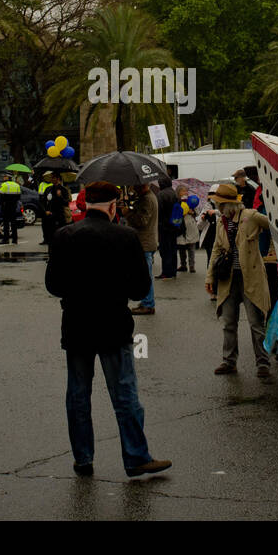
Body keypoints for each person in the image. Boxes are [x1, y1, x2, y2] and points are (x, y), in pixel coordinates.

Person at [45, 181, 172, 479]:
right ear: (113, 206)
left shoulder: (64, 235)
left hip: (76, 325)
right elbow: (140, 287)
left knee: (78, 395)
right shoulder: (125, 237)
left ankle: (83, 458)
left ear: (86, 204)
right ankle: (136, 456)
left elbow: (53, 285)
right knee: (125, 394)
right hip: (114, 325)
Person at [205, 183, 275, 379]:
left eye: (220, 204)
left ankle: (263, 363)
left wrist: (272, 252)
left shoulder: (251, 216)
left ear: (229, 205)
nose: (218, 208)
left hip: (250, 278)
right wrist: (210, 277)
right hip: (228, 279)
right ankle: (229, 361)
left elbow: (275, 226)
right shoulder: (222, 222)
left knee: (256, 324)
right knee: (229, 323)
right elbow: (216, 250)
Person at [125, 183, 159, 315]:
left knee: (146, 275)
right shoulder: (148, 197)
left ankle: (148, 304)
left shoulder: (147, 199)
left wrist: (128, 213)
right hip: (146, 241)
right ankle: (146, 301)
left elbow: (142, 221)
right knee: (144, 274)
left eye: (136, 186)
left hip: (144, 242)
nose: (134, 189)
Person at [155, 176, 180, 281]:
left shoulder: (161, 194)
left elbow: (159, 211)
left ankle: (166, 272)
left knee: (164, 249)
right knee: (173, 249)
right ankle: (173, 271)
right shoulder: (174, 193)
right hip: (174, 225)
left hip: (164, 226)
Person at [41, 174, 71, 246]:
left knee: (60, 232)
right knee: (50, 232)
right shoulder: (48, 189)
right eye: (51, 178)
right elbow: (43, 201)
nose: (51, 179)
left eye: (53, 178)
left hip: (60, 215)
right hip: (50, 214)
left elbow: (66, 203)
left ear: (58, 179)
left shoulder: (63, 189)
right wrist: (46, 210)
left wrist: (60, 196)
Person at [0, 174, 22, 246]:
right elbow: (19, 196)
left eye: (5, 176)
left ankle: (6, 239)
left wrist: (1, 204)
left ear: (8, 177)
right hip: (13, 206)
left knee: (6, 223)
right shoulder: (16, 185)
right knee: (13, 223)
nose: (3, 177)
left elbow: (0, 196)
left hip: (6, 206)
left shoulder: (4, 185)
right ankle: (15, 239)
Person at [177, 199, 199, 273]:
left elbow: (197, 213)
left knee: (191, 248)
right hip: (181, 226)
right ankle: (183, 265)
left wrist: (192, 212)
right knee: (181, 247)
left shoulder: (191, 201)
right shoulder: (178, 202)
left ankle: (192, 266)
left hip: (190, 227)